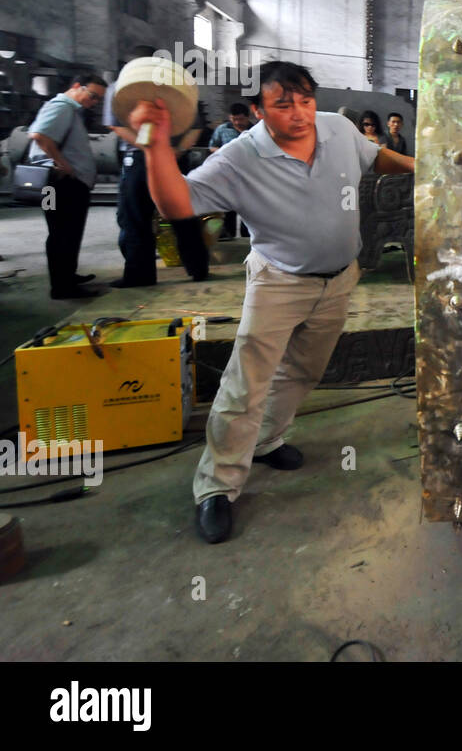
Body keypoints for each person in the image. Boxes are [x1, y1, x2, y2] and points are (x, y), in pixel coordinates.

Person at [127, 61, 415, 544]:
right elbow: (176, 204)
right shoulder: (239, 158)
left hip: (341, 279)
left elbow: (373, 155)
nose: (299, 114)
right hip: (279, 281)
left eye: (305, 101)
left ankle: (266, 441)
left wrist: (417, 164)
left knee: (304, 371)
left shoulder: (337, 128)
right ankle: (217, 486)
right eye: (283, 105)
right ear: (258, 110)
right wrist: (154, 143)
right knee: (247, 383)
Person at [109, 55, 209, 288]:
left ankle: (139, 274)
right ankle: (198, 268)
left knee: (135, 218)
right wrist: (172, 151)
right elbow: (196, 128)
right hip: (171, 157)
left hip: (142, 160)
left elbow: (115, 126)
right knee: (183, 216)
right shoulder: (181, 94)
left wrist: (153, 147)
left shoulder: (120, 91)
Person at [27, 75, 108, 299]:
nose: (93, 102)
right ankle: (62, 287)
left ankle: (66, 276)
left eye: (97, 100)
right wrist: (64, 164)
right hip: (60, 183)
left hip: (56, 184)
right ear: (75, 87)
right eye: (92, 96)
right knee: (62, 232)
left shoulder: (69, 110)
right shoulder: (61, 106)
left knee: (64, 232)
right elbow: (40, 136)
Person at [208, 102, 253, 238]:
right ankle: (229, 239)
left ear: (247, 117)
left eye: (241, 119)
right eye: (234, 119)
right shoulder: (223, 129)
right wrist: (224, 152)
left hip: (249, 176)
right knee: (228, 210)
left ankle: (248, 239)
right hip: (227, 175)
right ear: (230, 117)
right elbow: (212, 146)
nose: (237, 122)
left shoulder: (255, 130)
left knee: (249, 209)